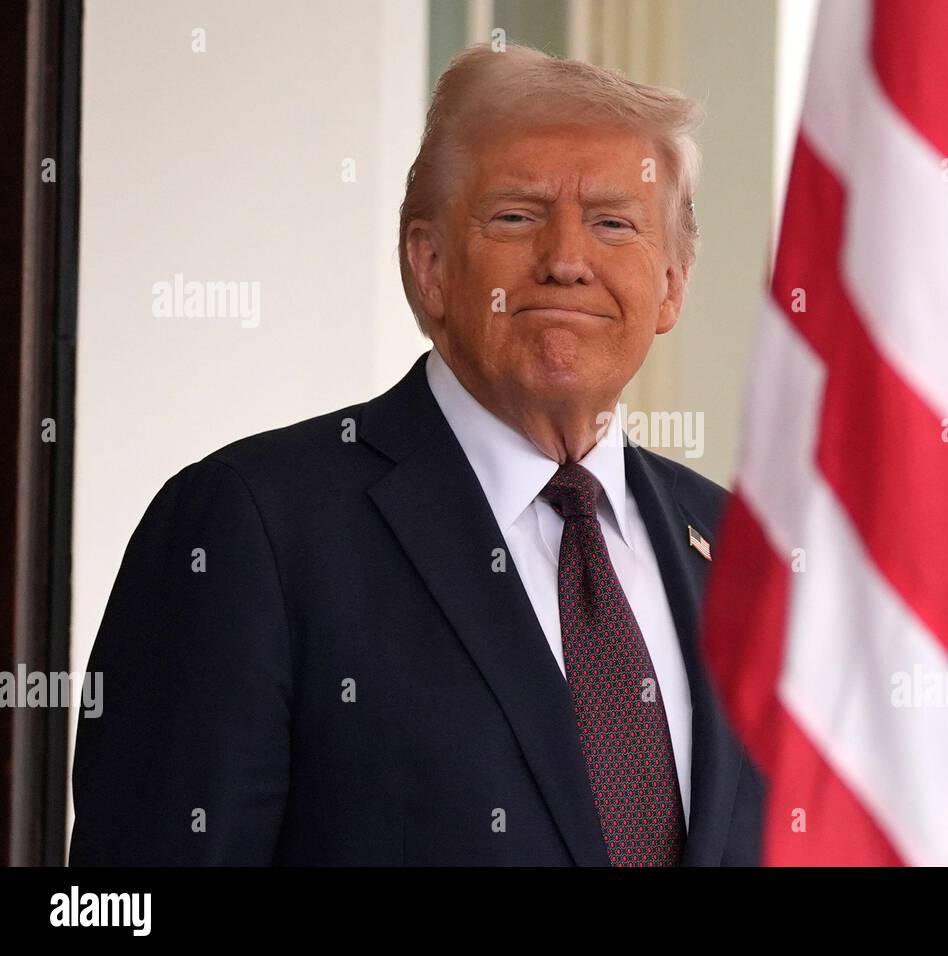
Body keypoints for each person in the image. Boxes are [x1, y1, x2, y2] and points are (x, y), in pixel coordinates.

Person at [68, 42, 765, 866]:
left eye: (614, 222)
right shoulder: (253, 527)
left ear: (674, 284)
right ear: (429, 265)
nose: (567, 260)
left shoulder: (737, 553)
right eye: (517, 214)